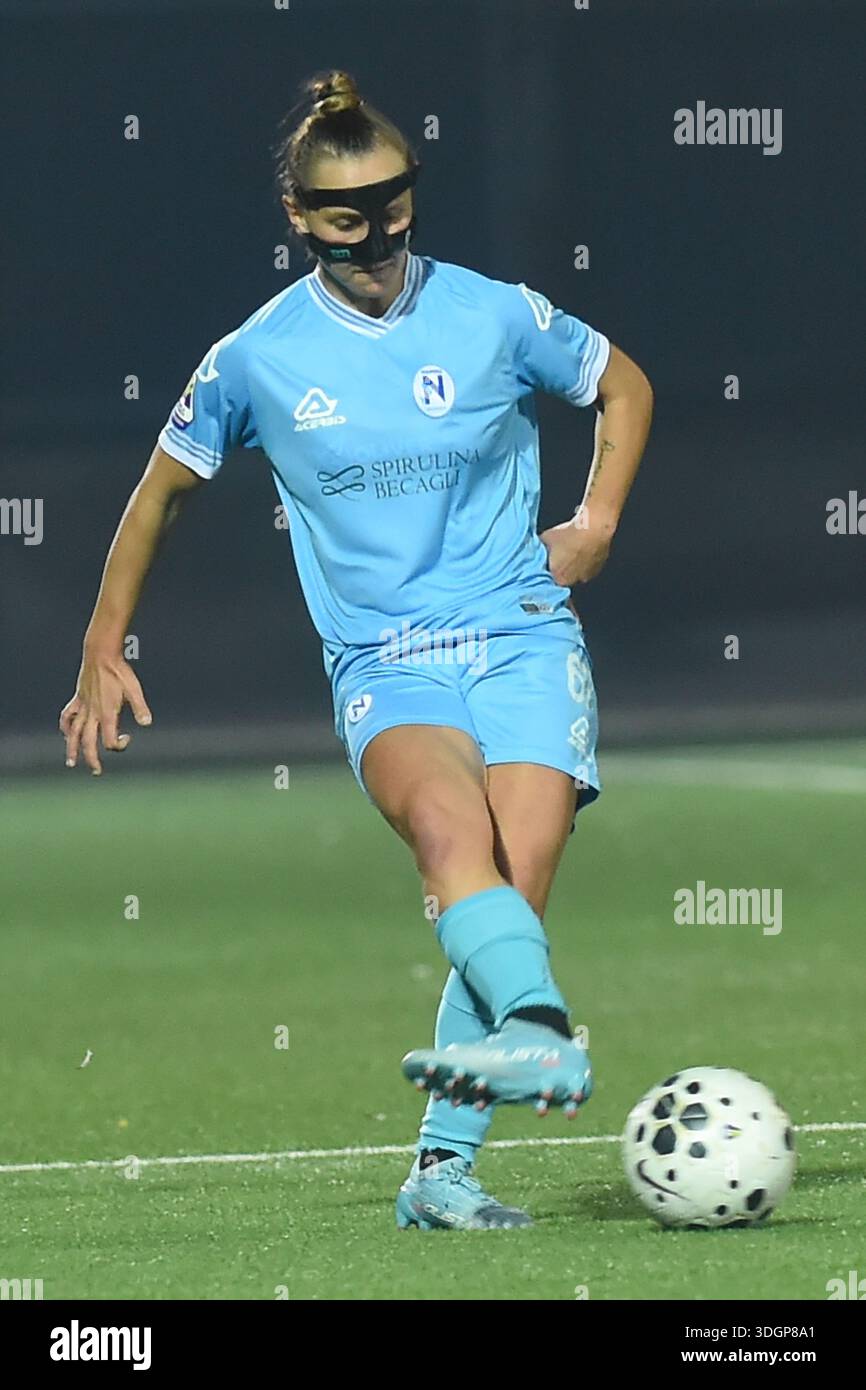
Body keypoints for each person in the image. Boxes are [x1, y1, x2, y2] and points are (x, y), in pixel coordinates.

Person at [60, 70, 653, 1231]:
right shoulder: (256, 358)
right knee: (450, 841)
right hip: (388, 664)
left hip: (524, 638)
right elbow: (161, 491)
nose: (376, 235)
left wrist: (595, 521)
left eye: (392, 206)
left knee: (513, 883)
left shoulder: (490, 312)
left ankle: (440, 1174)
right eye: (345, 216)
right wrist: (101, 635)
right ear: (296, 217)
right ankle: (535, 1030)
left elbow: (620, 384)